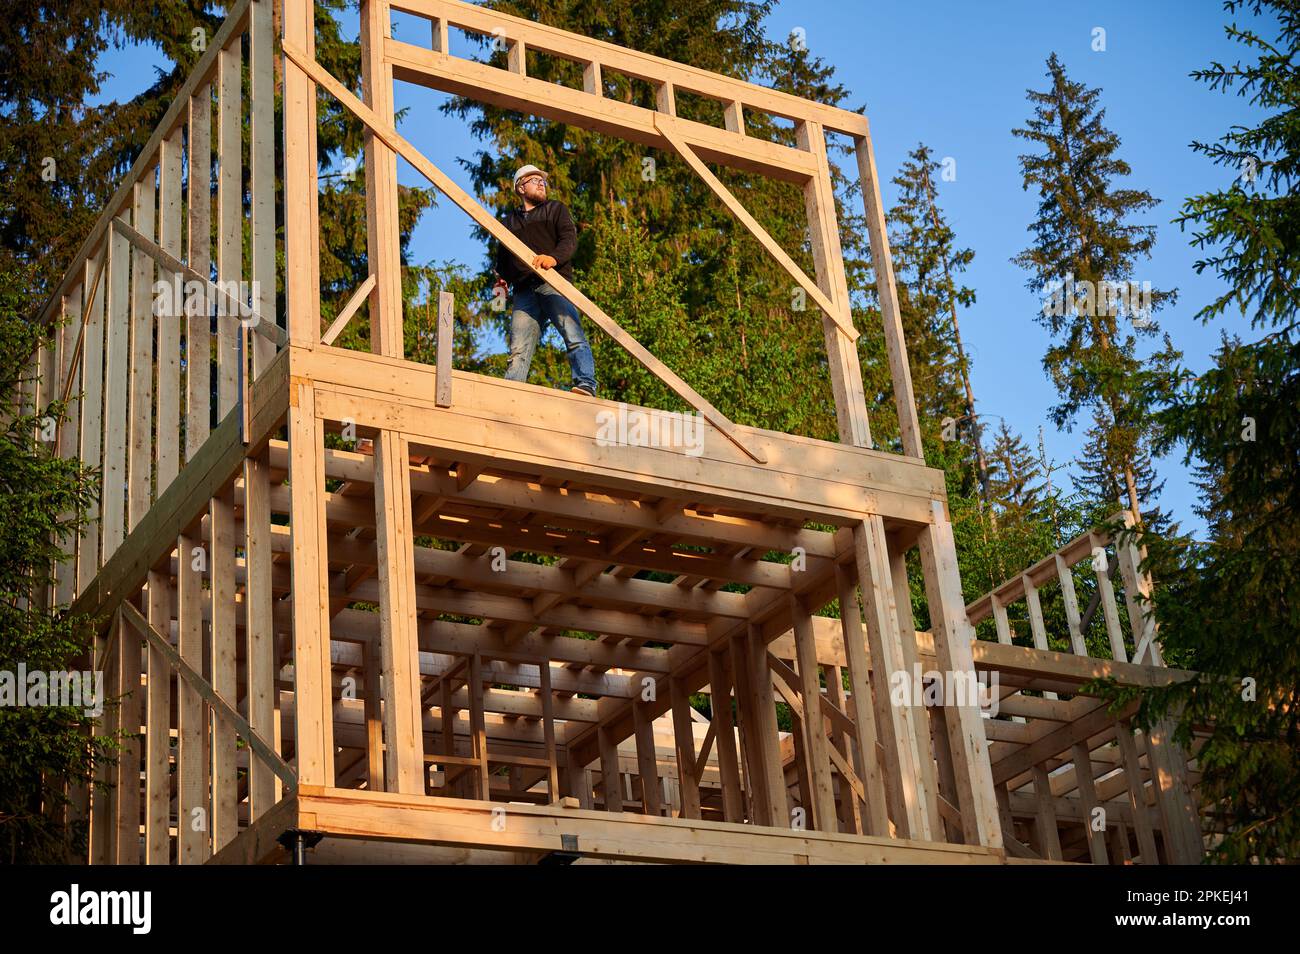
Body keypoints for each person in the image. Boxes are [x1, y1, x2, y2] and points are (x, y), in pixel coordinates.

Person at [493, 164, 598, 397]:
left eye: (543, 181)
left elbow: (569, 240)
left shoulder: (555, 209)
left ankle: (585, 384)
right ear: (521, 188)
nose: (542, 183)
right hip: (524, 290)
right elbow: (503, 258)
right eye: (535, 180)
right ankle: (511, 392)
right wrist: (501, 280)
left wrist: (553, 258)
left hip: (553, 282)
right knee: (518, 348)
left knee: (572, 334)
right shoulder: (509, 222)